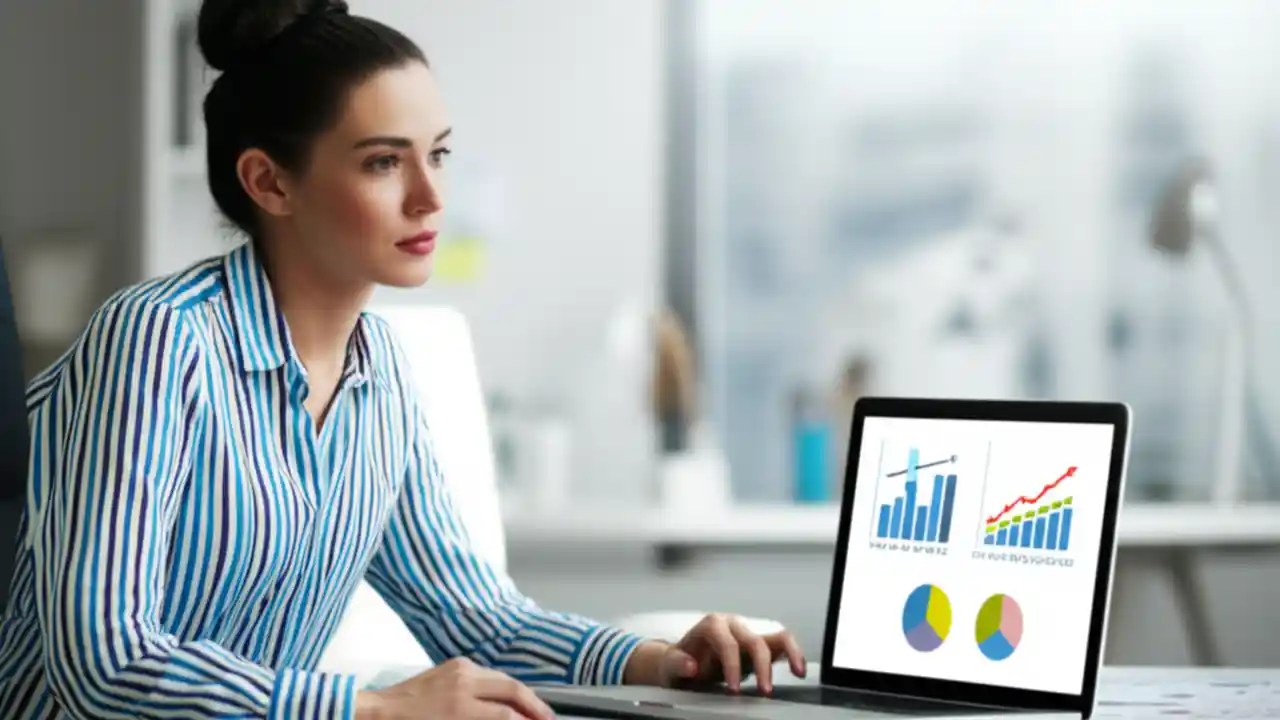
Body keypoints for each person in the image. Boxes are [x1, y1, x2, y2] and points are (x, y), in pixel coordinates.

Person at [0, 1, 806, 718]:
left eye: (440, 154)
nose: (430, 196)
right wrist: (374, 709)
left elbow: (474, 616)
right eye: (384, 162)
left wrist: (667, 664)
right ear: (269, 182)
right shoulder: (156, 340)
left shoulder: (380, 375)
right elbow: (102, 663)